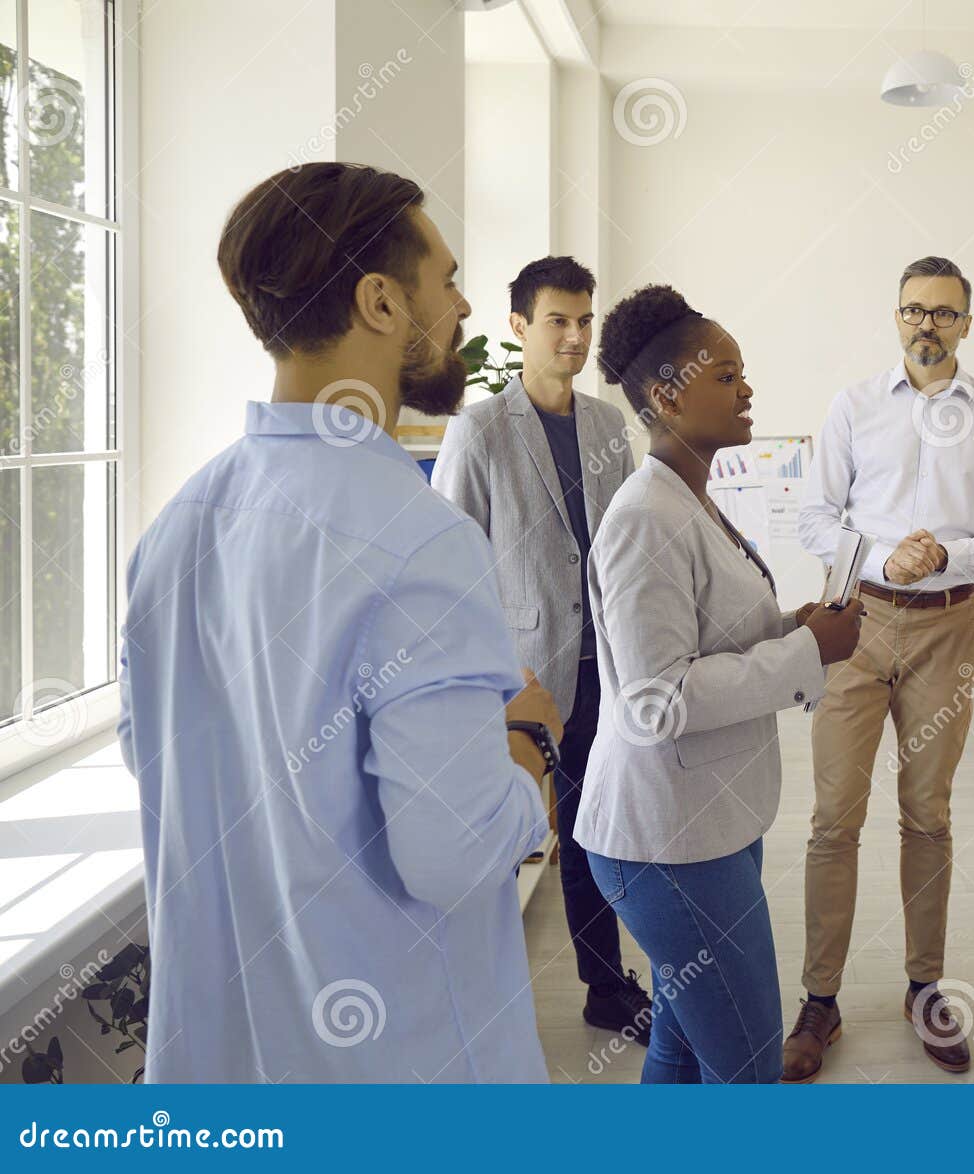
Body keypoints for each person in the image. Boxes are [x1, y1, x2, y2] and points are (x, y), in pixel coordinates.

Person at [118, 163, 562, 1082]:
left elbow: (156, 757)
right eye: (445, 280)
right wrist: (529, 745)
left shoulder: (177, 527)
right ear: (381, 303)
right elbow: (452, 853)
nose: (467, 303)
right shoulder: (418, 538)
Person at [575, 284, 864, 1083]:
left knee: (679, 1046)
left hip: (708, 826)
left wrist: (793, 628)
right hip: (665, 842)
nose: (748, 390)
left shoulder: (694, 498)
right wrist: (807, 650)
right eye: (728, 374)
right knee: (743, 1068)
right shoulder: (645, 517)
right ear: (666, 392)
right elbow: (653, 700)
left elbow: (710, 642)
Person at [788, 256, 974, 1081]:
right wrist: (884, 560)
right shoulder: (853, 406)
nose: (925, 323)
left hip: (948, 630)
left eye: (942, 312)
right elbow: (815, 516)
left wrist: (946, 555)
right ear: (896, 319)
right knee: (833, 819)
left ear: (967, 323)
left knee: (927, 813)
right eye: (912, 310)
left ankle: (924, 986)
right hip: (855, 624)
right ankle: (819, 1000)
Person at [433, 256, 651, 1043]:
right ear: (520, 326)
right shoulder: (478, 430)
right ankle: (473, 993)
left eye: (585, 320)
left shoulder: (603, 425)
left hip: (605, 666)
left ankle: (604, 984)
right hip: (517, 676)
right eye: (558, 320)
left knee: (595, 829)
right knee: (504, 836)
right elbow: (449, 572)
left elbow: (624, 546)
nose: (575, 335)